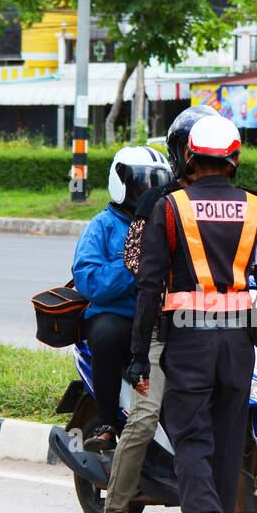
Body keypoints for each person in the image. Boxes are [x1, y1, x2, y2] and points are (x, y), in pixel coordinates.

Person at [127, 115, 257, 513]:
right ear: (234, 159)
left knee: (192, 437)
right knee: (226, 435)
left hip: (187, 343)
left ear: (189, 158)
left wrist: (139, 356)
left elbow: (149, 286)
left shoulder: (170, 206)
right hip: (239, 345)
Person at [95, 106, 221, 513]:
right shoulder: (157, 203)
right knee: (146, 417)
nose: (209, 163)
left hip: (216, 329)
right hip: (163, 332)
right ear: (183, 154)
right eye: (199, 154)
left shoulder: (236, 201)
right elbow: (138, 268)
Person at [71, 145, 173, 455]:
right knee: (106, 334)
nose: (150, 192)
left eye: (158, 184)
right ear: (122, 184)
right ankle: (107, 422)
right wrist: (132, 265)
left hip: (164, 316)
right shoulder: (101, 226)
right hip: (119, 315)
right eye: (143, 184)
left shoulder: (172, 222)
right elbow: (88, 279)